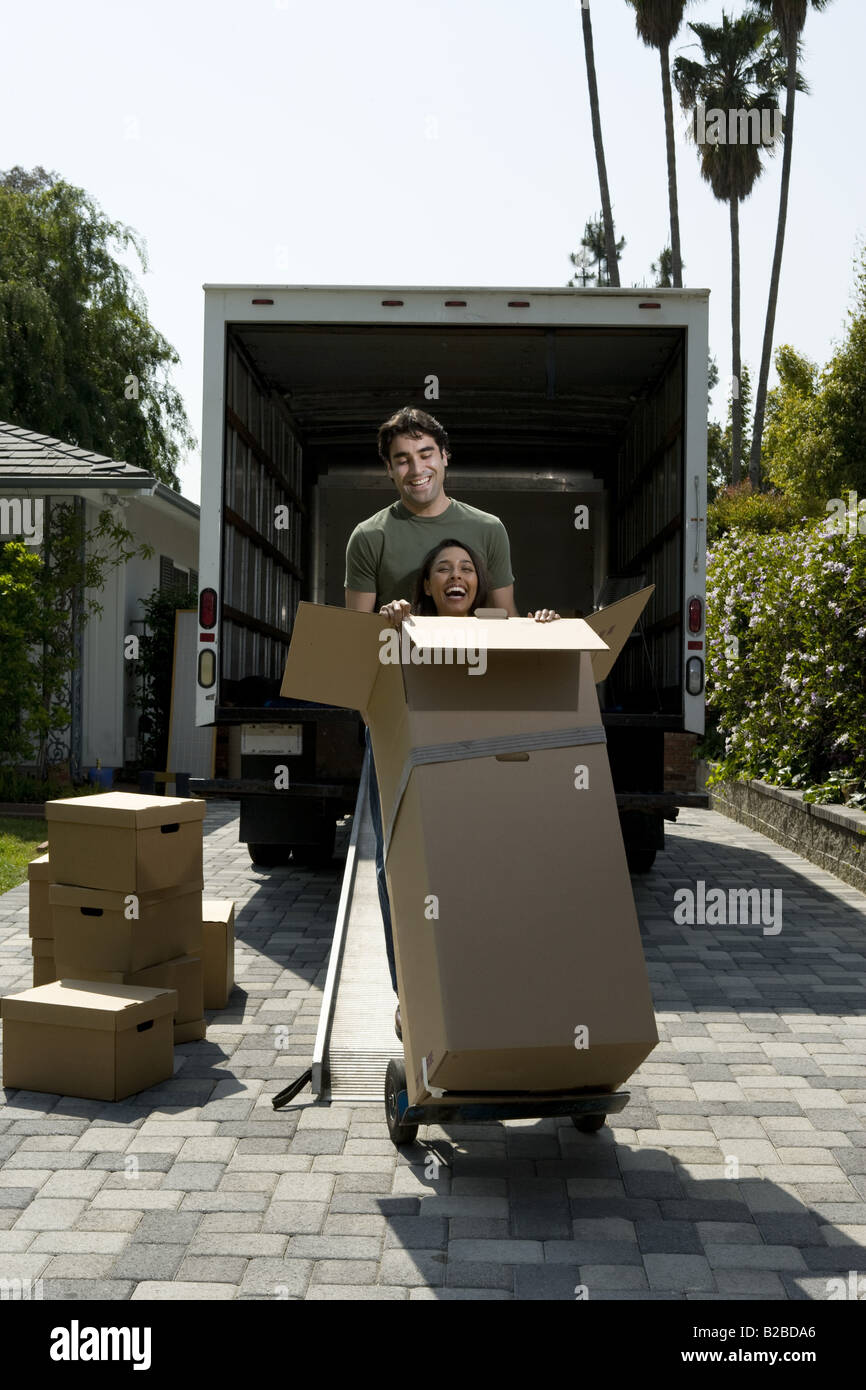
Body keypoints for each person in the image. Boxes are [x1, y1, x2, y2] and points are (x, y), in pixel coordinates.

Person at [343, 407, 555, 1039]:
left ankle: (484, 983)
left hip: (473, 721)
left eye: (426, 454)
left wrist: (535, 629)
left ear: (444, 458)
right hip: (397, 720)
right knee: (400, 863)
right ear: (389, 469)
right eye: (403, 458)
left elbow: (503, 627)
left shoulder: (486, 530)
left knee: (482, 853)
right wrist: (386, 622)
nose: (417, 468)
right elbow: (355, 642)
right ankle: (412, 996)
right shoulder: (369, 538)